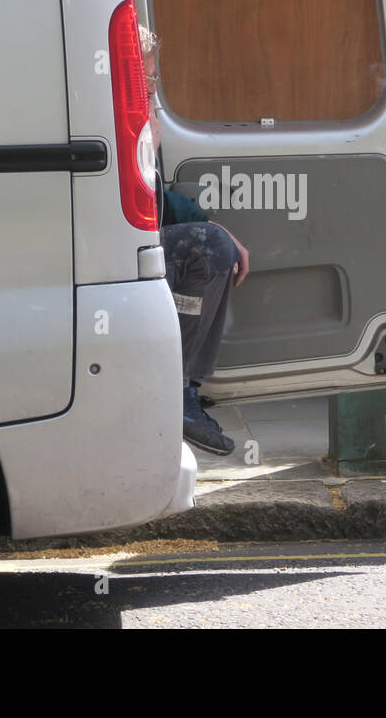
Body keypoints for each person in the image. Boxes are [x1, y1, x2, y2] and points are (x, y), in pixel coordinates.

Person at [141, 25, 249, 456]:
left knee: (212, 244)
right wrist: (144, 146)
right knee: (209, 248)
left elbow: (157, 203)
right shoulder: (104, 112)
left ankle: (184, 393)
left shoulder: (141, 110)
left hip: (138, 240)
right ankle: (176, 392)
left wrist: (208, 223)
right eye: (144, 79)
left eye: (152, 80)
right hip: (100, 253)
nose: (151, 89)